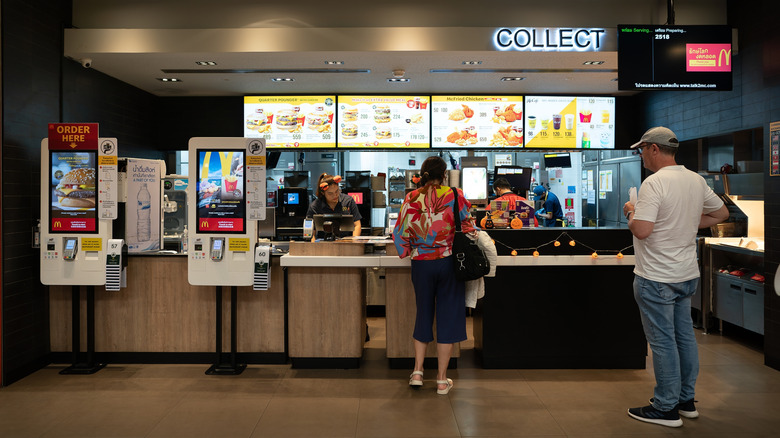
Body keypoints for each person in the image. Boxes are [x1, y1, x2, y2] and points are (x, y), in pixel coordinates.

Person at [623, 126, 729, 428]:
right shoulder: (695, 180)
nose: (640, 155)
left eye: (641, 149)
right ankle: (685, 400)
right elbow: (721, 214)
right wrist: (686, 223)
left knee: (663, 343)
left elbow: (642, 230)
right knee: (684, 338)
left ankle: (665, 408)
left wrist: (631, 211)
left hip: (656, 276)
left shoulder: (654, 183)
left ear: (654, 149)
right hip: (686, 274)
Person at [392, 156, 477, 395]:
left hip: (421, 264)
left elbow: (400, 232)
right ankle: (441, 379)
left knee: (424, 313)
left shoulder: (411, 197)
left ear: (423, 173)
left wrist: (409, 250)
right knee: (448, 317)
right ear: (444, 174)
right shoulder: (455, 194)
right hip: (450, 263)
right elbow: (468, 226)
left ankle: (417, 372)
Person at [306, 173, 362, 241]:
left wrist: (353, 242)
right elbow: (311, 232)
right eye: (330, 193)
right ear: (323, 193)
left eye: (336, 191)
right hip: (324, 243)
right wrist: (314, 248)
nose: (335, 195)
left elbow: (357, 225)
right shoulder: (315, 206)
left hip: (346, 241)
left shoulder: (348, 201)